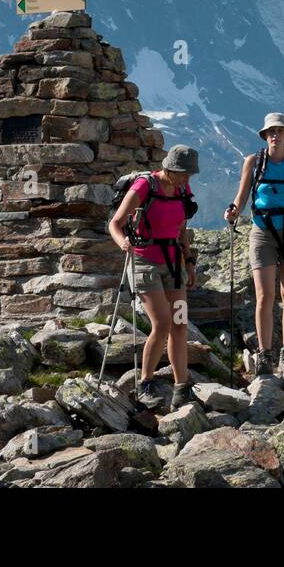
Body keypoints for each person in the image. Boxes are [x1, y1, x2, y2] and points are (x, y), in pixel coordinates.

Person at [224, 113, 284, 378]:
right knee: (264, 295)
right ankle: (265, 354)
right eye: (270, 131)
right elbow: (242, 197)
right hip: (263, 232)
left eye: (280, 131)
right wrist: (233, 210)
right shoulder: (253, 162)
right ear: (264, 135)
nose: (275, 136)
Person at [108, 145, 200, 410]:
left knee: (180, 323)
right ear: (169, 168)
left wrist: (189, 261)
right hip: (144, 262)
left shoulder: (183, 190)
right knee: (162, 324)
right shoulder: (144, 186)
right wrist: (122, 241)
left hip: (174, 264)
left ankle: (181, 388)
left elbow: (182, 229)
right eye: (182, 173)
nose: (186, 179)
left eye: (189, 174)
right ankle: (144, 383)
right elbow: (116, 222)